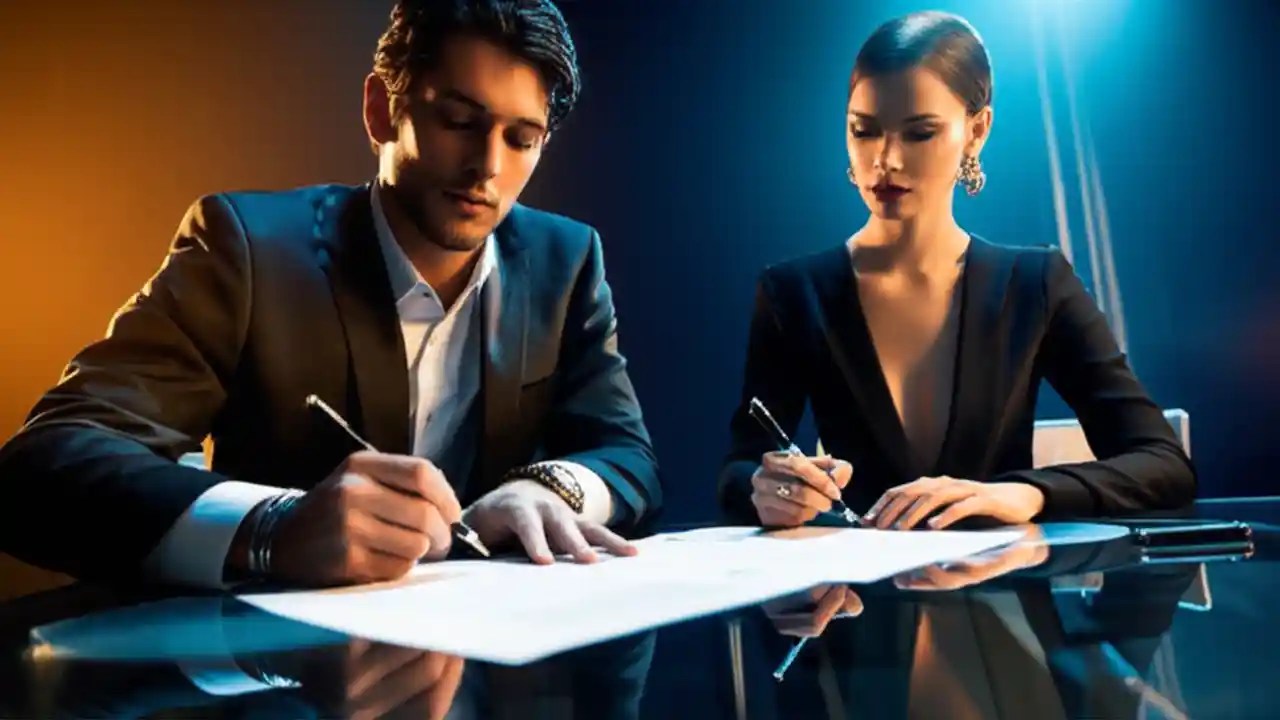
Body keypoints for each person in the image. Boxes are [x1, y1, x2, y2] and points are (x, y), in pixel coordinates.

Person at [0, 0, 661, 588]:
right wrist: (273, 530)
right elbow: (43, 466)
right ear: (381, 110)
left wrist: (544, 488)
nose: (488, 167)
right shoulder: (250, 249)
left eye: (523, 140)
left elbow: (628, 456)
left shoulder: (565, 259)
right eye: (460, 120)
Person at [719, 11, 1193, 531]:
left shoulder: (1035, 283)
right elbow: (741, 470)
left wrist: (1025, 494)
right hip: (862, 604)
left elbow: (1164, 464)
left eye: (919, 133)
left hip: (1003, 597)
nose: (886, 160)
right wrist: (770, 488)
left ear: (977, 131)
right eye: (864, 130)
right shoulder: (794, 293)